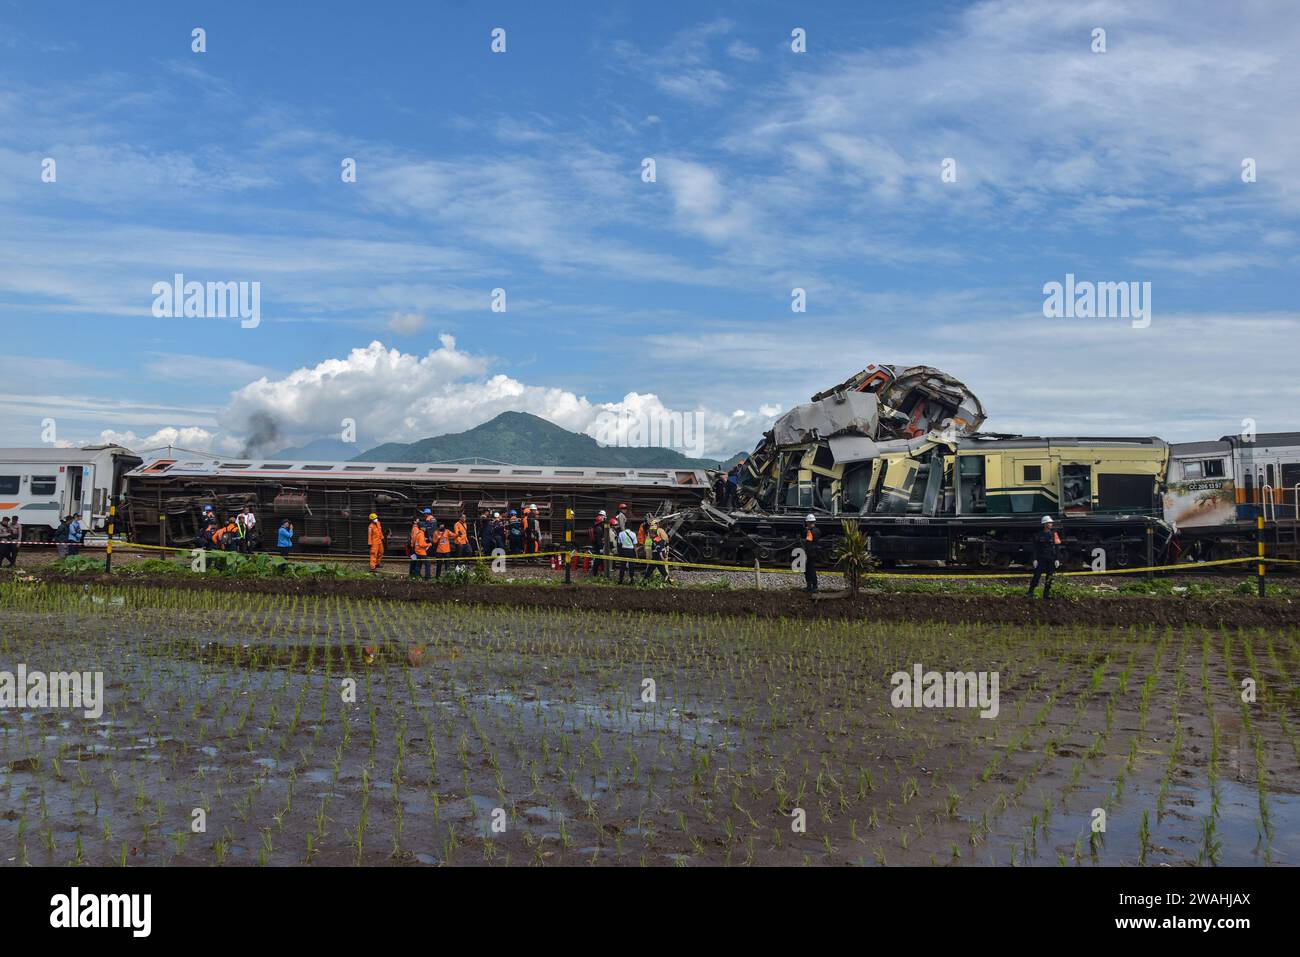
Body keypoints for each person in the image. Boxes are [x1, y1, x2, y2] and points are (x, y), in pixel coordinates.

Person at [1028, 515, 1061, 599]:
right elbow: (1035, 548)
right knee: (1037, 575)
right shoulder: (1038, 535)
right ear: (1045, 524)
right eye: (1049, 522)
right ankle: (1030, 592)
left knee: (1049, 576)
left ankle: (1046, 594)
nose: (1051, 524)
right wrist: (1034, 559)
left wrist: (1057, 559)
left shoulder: (1055, 534)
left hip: (1051, 558)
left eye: (1051, 522)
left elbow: (1057, 547)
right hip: (1041, 558)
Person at [802, 514, 820, 594]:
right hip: (815, 552)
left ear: (808, 523)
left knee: (809, 570)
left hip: (810, 553)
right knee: (811, 569)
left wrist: (806, 553)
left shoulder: (809, 532)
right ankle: (812, 586)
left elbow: (808, 543)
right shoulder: (817, 530)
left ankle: (812, 586)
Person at [589, 511, 607, 575]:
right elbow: (599, 540)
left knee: (599, 559)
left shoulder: (595, 527)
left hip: (596, 545)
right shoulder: (599, 529)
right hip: (598, 546)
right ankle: (595, 573)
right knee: (598, 560)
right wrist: (601, 548)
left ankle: (598, 572)